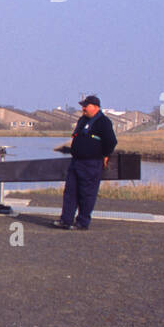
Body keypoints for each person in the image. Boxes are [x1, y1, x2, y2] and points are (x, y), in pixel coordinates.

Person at [54, 94, 117, 230]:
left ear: (95, 107)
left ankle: (82, 222)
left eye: (85, 106)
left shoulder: (103, 122)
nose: (83, 108)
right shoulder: (82, 120)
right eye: (82, 106)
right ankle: (66, 220)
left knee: (87, 194)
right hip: (76, 162)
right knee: (70, 192)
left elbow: (111, 141)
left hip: (91, 164)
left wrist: (105, 155)